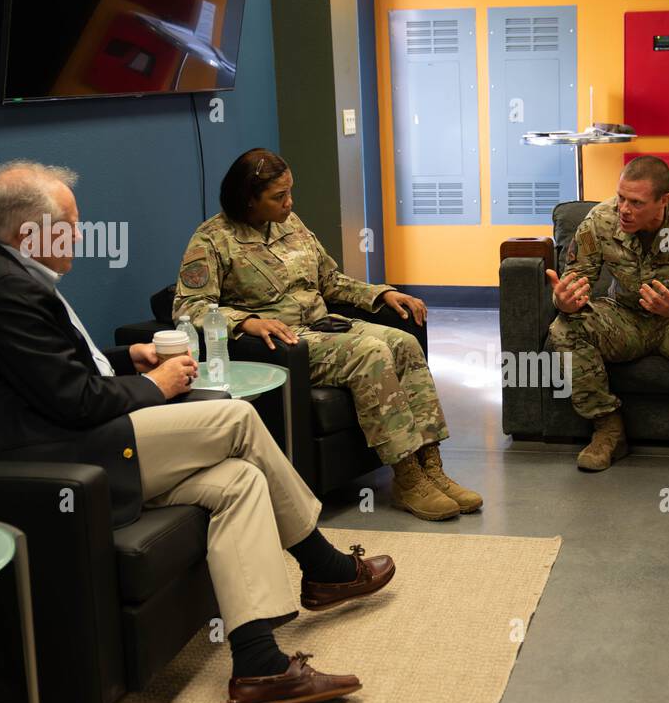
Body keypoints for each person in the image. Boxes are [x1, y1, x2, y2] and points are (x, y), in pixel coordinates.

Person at [0, 161, 394, 703]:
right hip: (55, 464)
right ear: (28, 232)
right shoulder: (3, 290)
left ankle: (259, 666)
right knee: (237, 420)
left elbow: (50, 369)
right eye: (70, 224)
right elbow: (73, 400)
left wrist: (127, 356)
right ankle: (322, 565)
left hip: (72, 438)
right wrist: (153, 383)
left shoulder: (4, 273)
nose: (79, 234)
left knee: (238, 480)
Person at [173, 148, 480, 522]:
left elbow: (329, 280)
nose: (290, 202)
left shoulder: (292, 225)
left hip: (324, 327)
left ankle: (431, 466)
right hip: (285, 343)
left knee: (404, 342)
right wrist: (245, 322)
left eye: (290, 192)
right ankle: (408, 478)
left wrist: (381, 293)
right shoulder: (212, 240)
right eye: (278, 197)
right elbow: (188, 308)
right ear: (248, 199)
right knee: (369, 352)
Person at [545, 156, 669, 476]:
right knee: (564, 327)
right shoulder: (600, 220)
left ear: (664, 200)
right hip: (626, 319)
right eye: (621, 197)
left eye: (636, 202)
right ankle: (608, 430)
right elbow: (577, 278)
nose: (623, 208)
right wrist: (565, 302)